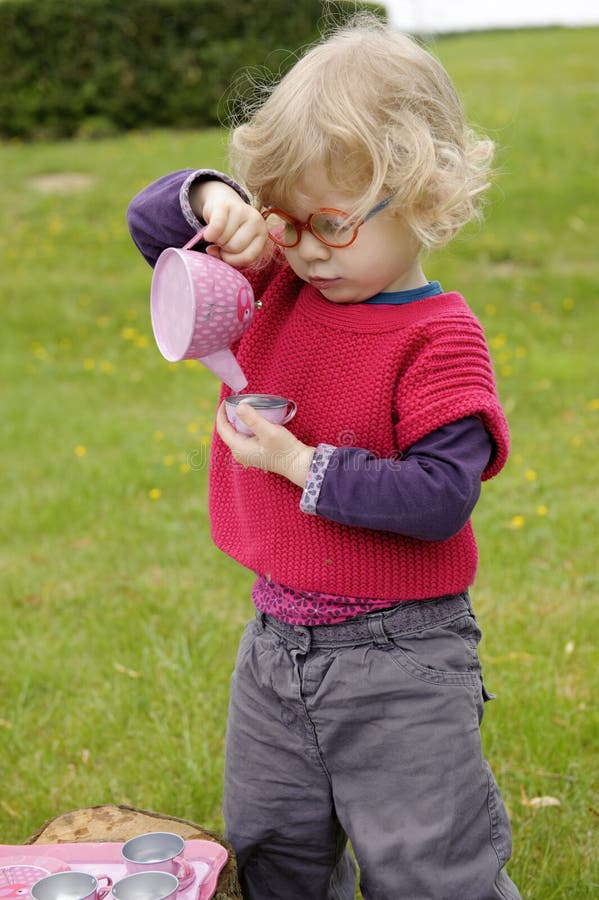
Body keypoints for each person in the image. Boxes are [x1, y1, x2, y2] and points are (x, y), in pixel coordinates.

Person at [127, 15, 521, 900]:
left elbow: (438, 496)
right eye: (283, 219)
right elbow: (151, 230)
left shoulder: (439, 338)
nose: (302, 246)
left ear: (422, 200)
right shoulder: (279, 283)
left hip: (402, 660)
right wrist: (208, 204)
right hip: (273, 646)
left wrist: (300, 463)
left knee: (430, 867)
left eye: (330, 223)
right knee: (274, 853)